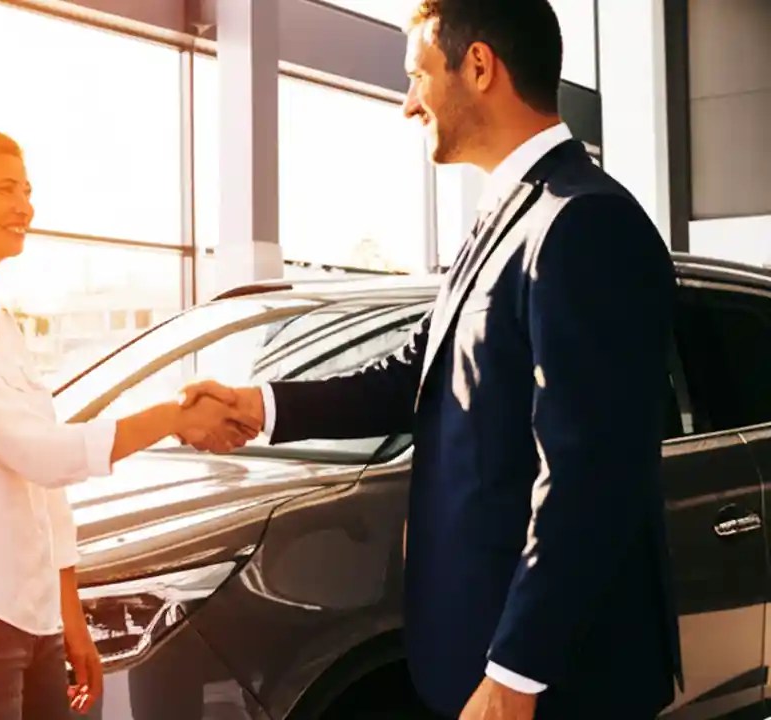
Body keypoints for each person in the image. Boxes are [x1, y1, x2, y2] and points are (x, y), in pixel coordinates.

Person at [184, 2, 681, 718]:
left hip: (558, 682)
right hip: (474, 656)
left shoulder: (583, 223)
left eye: (418, 75)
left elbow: (590, 474)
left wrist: (518, 672)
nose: (408, 104)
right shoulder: (501, 219)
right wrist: (261, 406)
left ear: (479, 67)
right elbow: (413, 376)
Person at [0, 128, 255, 719]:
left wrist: (69, 616)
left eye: (27, 190)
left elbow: (44, 489)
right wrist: (171, 419)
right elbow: (40, 453)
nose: (24, 206)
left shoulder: (1, 325)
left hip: (32, 619)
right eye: (5, 189)